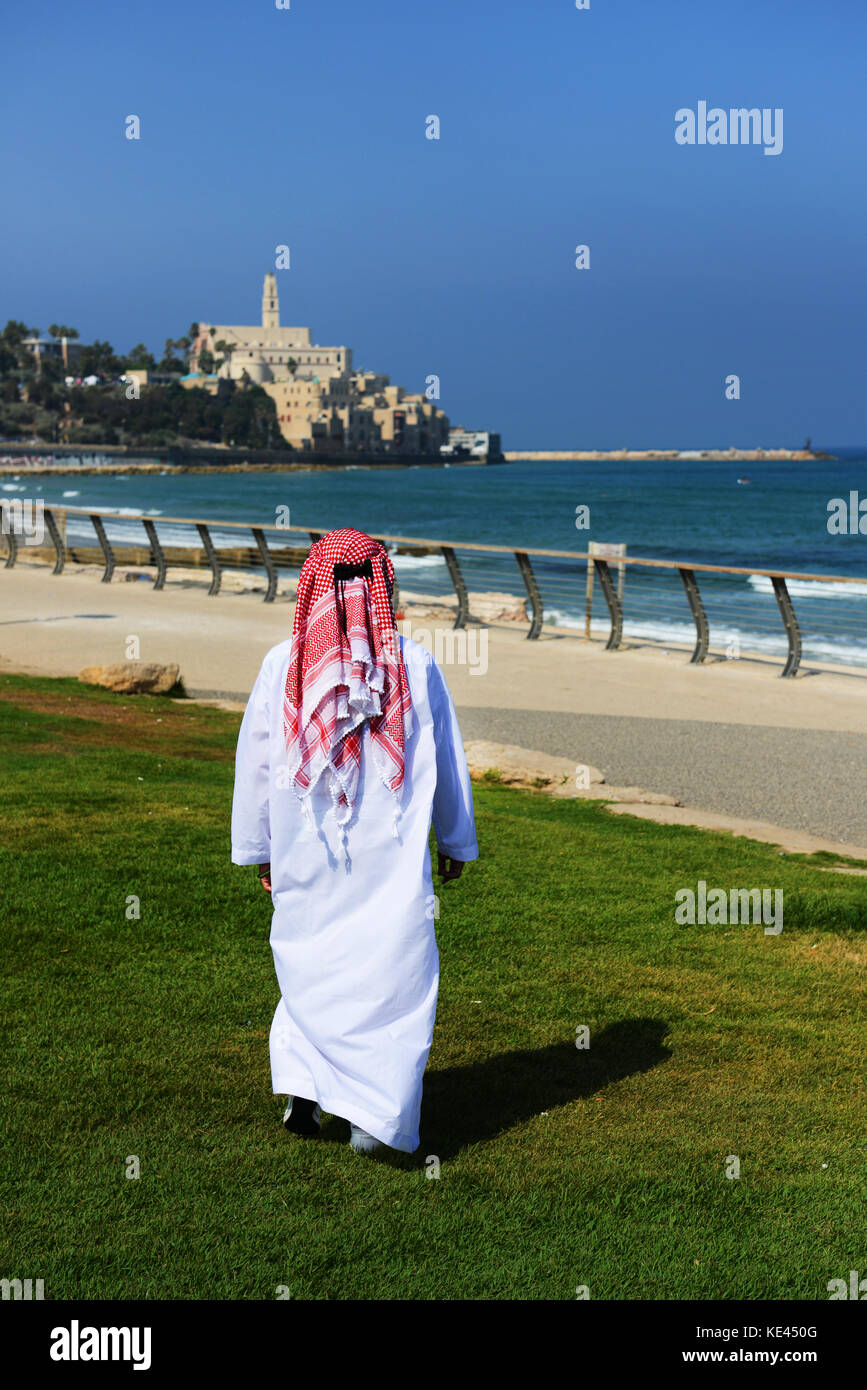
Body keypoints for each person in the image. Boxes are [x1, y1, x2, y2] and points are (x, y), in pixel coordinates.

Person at [231, 528, 478, 1157]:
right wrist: (455, 839)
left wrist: (258, 846)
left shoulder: (281, 663)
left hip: (306, 850)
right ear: (382, 586)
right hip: (390, 857)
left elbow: (256, 767)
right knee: (390, 971)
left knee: (312, 962)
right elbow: (445, 761)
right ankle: (375, 1119)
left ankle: (306, 1093)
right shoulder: (414, 664)